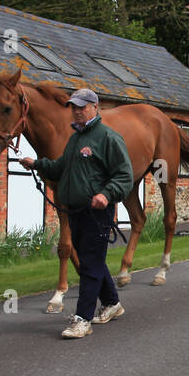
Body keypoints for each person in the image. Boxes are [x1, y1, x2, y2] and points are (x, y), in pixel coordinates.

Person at [21, 89, 133, 338]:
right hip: (75, 211)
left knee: (90, 264)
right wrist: (37, 164)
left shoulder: (108, 138)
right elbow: (60, 168)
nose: (77, 111)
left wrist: (106, 194)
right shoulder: (75, 139)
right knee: (91, 260)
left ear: (95, 107)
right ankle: (112, 304)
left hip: (97, 213)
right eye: (74, 107)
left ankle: (82, 320)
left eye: (82, 106)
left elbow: (125, 175)